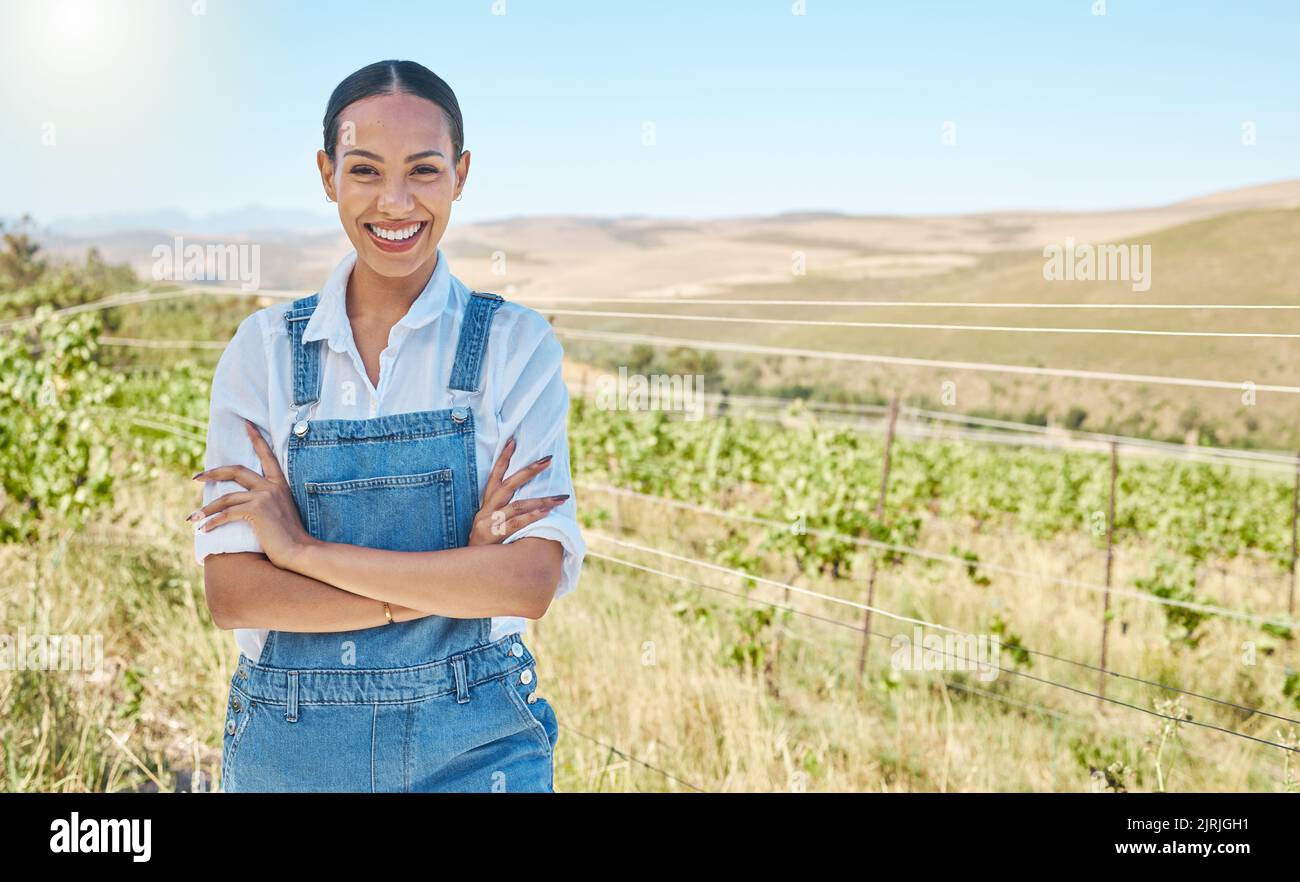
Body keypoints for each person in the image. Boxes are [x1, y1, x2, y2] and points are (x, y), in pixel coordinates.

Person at [190, 59, 584, 792]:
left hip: (477, 747)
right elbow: (236, 594)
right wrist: (454, 581)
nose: (395, 202)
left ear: (461, 175)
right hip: (294, 747)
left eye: (425, 171)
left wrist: (300, 549)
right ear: (326, 173)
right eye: (365, 170)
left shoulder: (514, 346)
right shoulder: (265, 354)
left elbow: (528, 580)